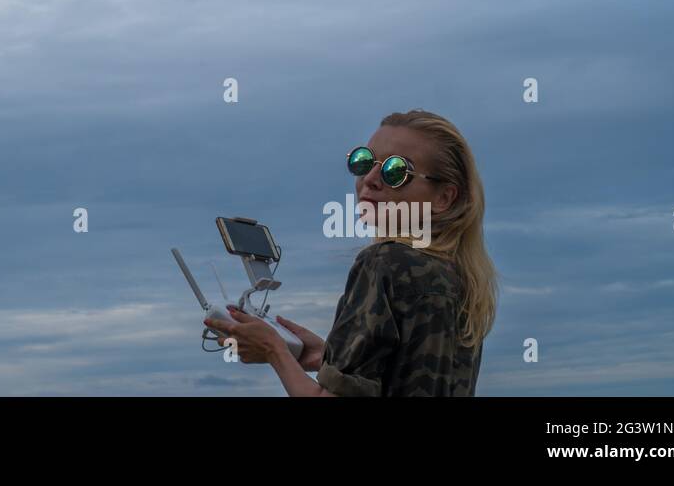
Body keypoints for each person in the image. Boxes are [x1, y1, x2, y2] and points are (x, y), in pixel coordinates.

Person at [206, 110, 497, 396]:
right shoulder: (457, 277)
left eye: (395, 170)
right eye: (364, 162)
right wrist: (328, 356)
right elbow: (414, 376)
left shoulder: (385, 263)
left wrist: (274, 350)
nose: (369, 178)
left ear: (444, 197)